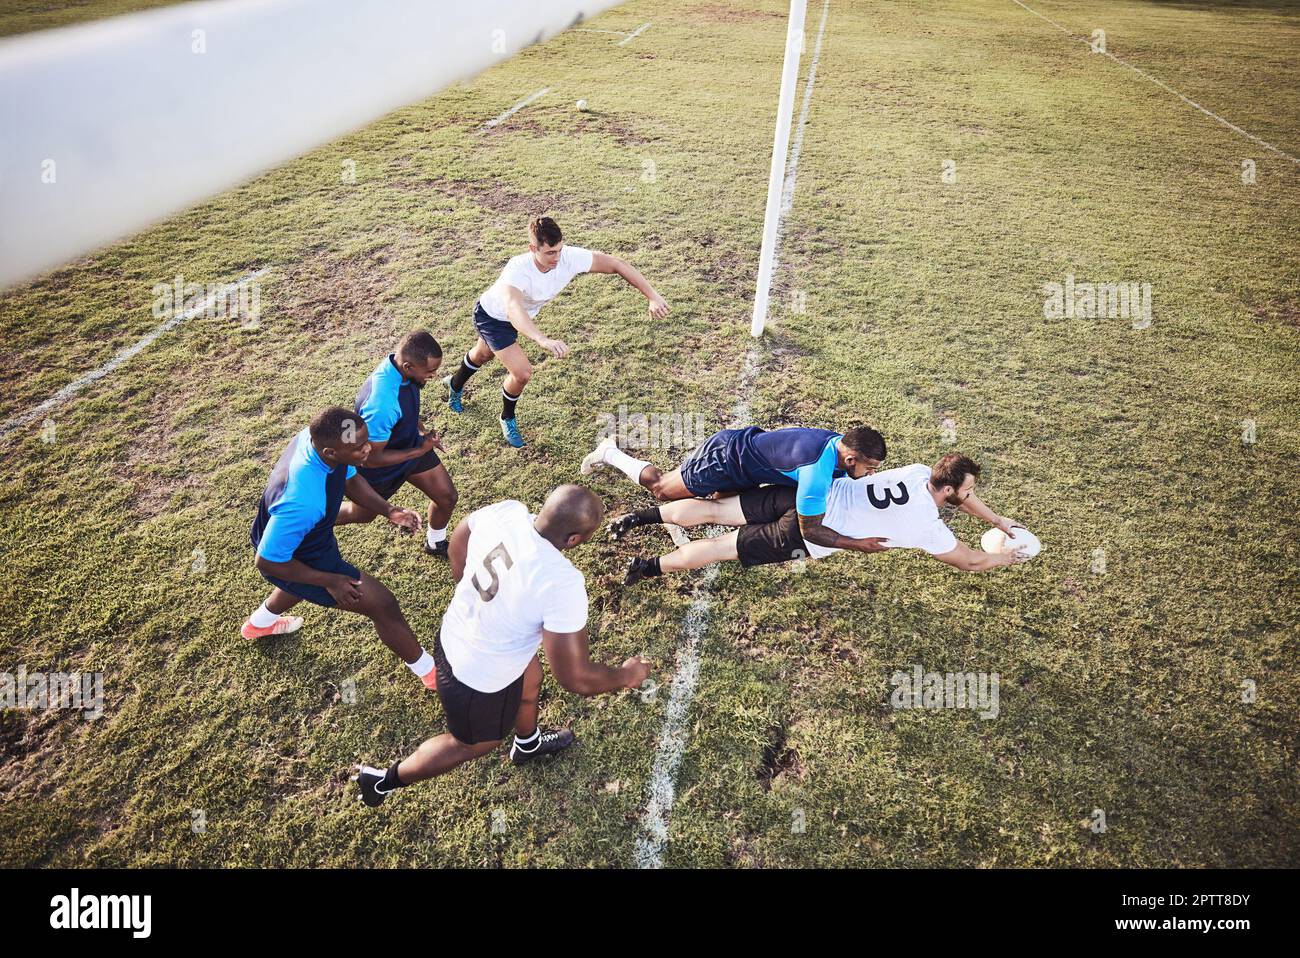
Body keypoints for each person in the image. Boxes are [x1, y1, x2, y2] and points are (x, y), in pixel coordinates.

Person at [351, 485, 653, 805]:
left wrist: (475, 598)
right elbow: (574, 677)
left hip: (455, 634)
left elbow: (458, 542)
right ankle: (382, 781)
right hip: (476, 678)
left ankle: (527, 744)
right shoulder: (562, 583)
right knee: (472, 743)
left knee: (531, 678)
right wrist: (626, 675)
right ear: (574, 539)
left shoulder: (508, 512)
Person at [241, 407, 441, 692]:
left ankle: (259, 624)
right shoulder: (302, 502)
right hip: (298, 555)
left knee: (299, 585)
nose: (369, 449)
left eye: (366, 440)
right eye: (359, 447)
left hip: (305, 537)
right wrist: (330, 580)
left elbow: (349, 478)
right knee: (382, 604)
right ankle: (432, 674)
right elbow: (268, 561)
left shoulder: (315, 442)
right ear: (331, 452)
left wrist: (389, 510)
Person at [616, 452, 1032, 584]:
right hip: (810, 535)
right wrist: (1005, 558)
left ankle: (639, 517)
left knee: (713, 509)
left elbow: (961, 496)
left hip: (808, 496)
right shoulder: (925, 527)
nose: (971, 497)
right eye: (967, 491)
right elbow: (969, 559)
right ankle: (645, 567)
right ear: (948, 491)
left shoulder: (920, 473)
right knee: (718, 549)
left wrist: (996, 520)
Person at [442, 215, 670, 448]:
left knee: (483, 354)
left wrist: (652, 296)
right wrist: (541, 339)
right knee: (522, 373)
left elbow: (616, 264)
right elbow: (513, 309)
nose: (557, 258)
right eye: (550, 253)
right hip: (493, 317)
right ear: (533, 248)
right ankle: (507, 417)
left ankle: (454, 384)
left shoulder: (568, 257)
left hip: (521, 317)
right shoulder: (518, 269)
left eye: (559, 250)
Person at [582, 424, 889, 557]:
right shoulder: (815, 476)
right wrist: (858, 543)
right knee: (662, 488)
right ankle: (609, 452)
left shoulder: (840, 444)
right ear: (850, 458)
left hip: (746, 465)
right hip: (725, 459)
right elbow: (810, 531)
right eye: (870, 467)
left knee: (721, 510)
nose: (872, 473)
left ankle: (674, 522)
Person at [339, 329, 457, 559]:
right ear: (408, 367)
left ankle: (435, 543)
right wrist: (418, 449)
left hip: (410, 448)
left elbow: (406, 410)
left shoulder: (404, 370)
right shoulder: (381, 403)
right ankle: (315, 522)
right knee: (361, 514)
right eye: (430, 371)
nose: (433, 375)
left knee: (447, 496)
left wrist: (421, 432)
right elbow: (370, 459)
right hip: (379, 469)